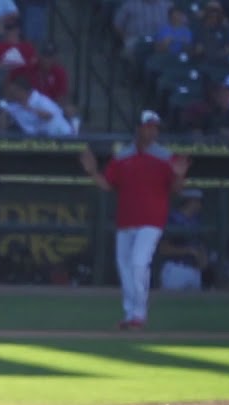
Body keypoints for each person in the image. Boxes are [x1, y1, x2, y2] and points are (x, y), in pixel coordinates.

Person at [80, 110, 191, 329]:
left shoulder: (166, 156)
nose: (152, 131)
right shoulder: (122, 156)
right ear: (138, 128)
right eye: (148, 126)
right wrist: (92, 172)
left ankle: (139, 313)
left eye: (155, 127)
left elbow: (177, 190)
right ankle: (130, 313)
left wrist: (179, 175)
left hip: (151, 220)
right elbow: (107, 185)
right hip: (126, 221)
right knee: (125, 267)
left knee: (139, 264)